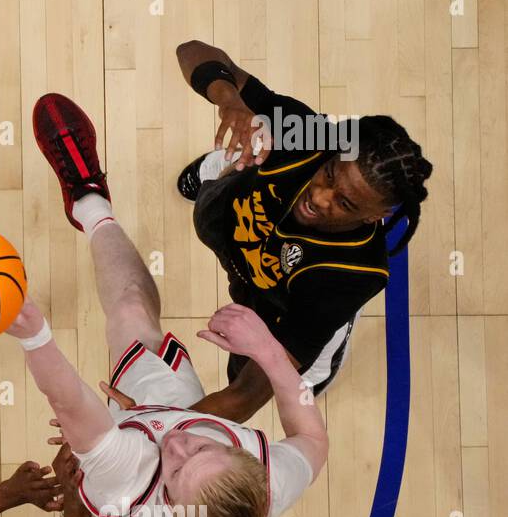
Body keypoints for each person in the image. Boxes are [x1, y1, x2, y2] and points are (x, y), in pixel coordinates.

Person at [22, 92, 329, 517]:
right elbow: (312, 435)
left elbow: (70, 400)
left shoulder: (126, 491)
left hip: (119, 512)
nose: (179, 443)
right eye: (204, 447)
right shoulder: (277, 479)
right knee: (131, 313)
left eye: (178, 467)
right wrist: (268, 351)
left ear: (171, 500)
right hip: (161, 412)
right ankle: (90, 202)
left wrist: (34, 334)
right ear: (250, 459)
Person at [170, 40, 433, 421]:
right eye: (329, 175)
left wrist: (153, 433)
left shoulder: (351, 275)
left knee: (269, 373)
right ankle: (217, 164)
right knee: (236, 166)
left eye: (345, 204)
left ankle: (326, 355)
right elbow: (191, 50)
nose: (320, 198)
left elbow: (244, 397)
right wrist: (229, 99)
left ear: (375, 216)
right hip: (231, 224)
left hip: (277, 303)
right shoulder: (309, 136)